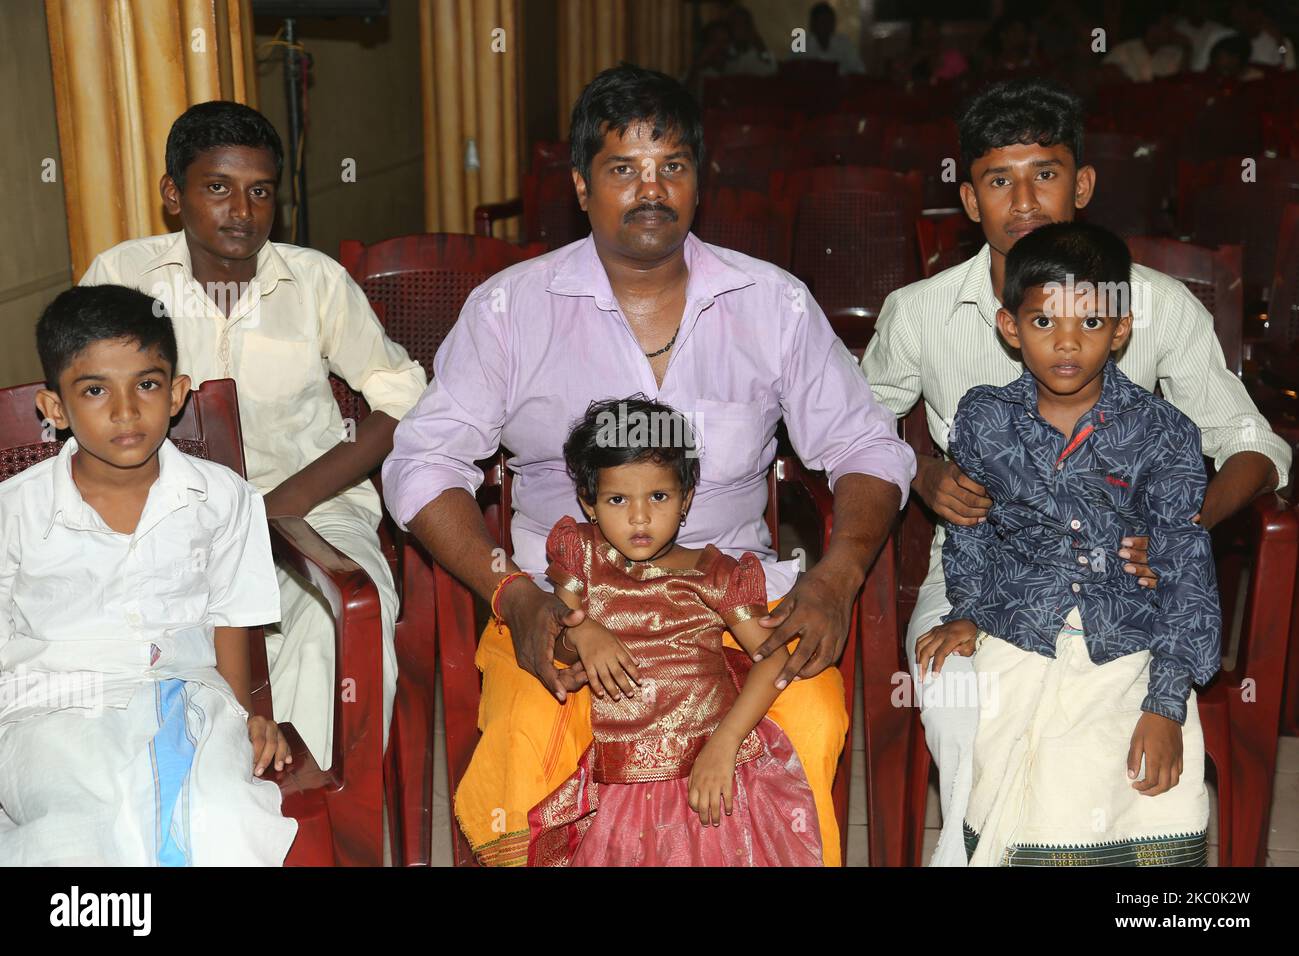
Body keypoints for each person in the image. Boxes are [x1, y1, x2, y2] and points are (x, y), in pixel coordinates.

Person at [383, 63, 914, 867]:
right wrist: (514, 597)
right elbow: (422, 463)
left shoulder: (770, 304)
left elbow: (867, 446)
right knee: (528, 757)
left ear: (701, 183)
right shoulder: (510, 310)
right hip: (563, 616)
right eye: (623, 169)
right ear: (581, 186)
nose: (651, 189)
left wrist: (836, 578)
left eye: (673, 166)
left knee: (807, 725)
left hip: (737, 613)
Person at [860, 77, 1291, 867]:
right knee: (963, 702)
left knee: (1115, 725)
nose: (1023, 199)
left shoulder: (1153, 307)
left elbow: (1255, 445)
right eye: (999, 180)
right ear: (968, 199)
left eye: (1046, 174)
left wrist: (1182, 527)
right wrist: (920, 469)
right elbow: (851, 428)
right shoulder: (919, 312)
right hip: (978, 574)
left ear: (1082, 184)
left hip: (1132, 576)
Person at [78, 101, 427, 770]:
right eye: (218, 188)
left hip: (312, 507)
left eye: (260, 191)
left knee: (341, 621)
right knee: (131, 656)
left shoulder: (315, 281)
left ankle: (311, 805)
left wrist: (280, 504)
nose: (242, 210)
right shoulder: (123, 278)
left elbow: (401, 397)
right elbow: (87, 406)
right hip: (161, 518)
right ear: (172, 195)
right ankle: (203, 805)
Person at [917, 223, 1219, 866]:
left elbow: (1187, 566)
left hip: (1130, 636)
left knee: (1133, 774)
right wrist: (966, 610)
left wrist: (1166, 703)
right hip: (1018, 624)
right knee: (1017, 768)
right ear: (1009, 326)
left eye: (1090, 325)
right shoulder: (985, 416)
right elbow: (969, 527)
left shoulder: (1163, 432)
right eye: (1044, 322)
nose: (1066, 343)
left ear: (1121, 330)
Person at [0, 285, 297, 865]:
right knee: (73, 834)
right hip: (50, 707)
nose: (126, 411)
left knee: (222, 818)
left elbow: (230, 623)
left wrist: (242, 719)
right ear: (54, 409)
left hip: (183, 695)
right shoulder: (15, 512)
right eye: (94, 390)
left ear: (178, 393)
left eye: (147, 384)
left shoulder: (223, 499)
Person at [527, 398, 821, 866]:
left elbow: (773, 658)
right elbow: (556, 646)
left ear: (685, 499)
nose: (639, 518)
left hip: (712, 769)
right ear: (589, 503)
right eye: (617, 499)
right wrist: (581, 634)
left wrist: (723, 746)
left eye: (658, 497)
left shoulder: (716, 574)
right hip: (622, 779)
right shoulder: (581, 558)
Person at [1101, 8, 1190, 84]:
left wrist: (1187, 48)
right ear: (1152, 28)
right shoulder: (1122, 51)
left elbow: (1182, 85)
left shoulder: (1174, 55)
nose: (1171, 33)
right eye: (1166, 28)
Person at [795, 2, 866, 75]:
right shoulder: (801, 44)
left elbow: (859, 70)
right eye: (822, 22)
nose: (825, 26)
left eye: (828, 21)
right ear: (813, 25)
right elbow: (791, 72)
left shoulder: (844, 44)